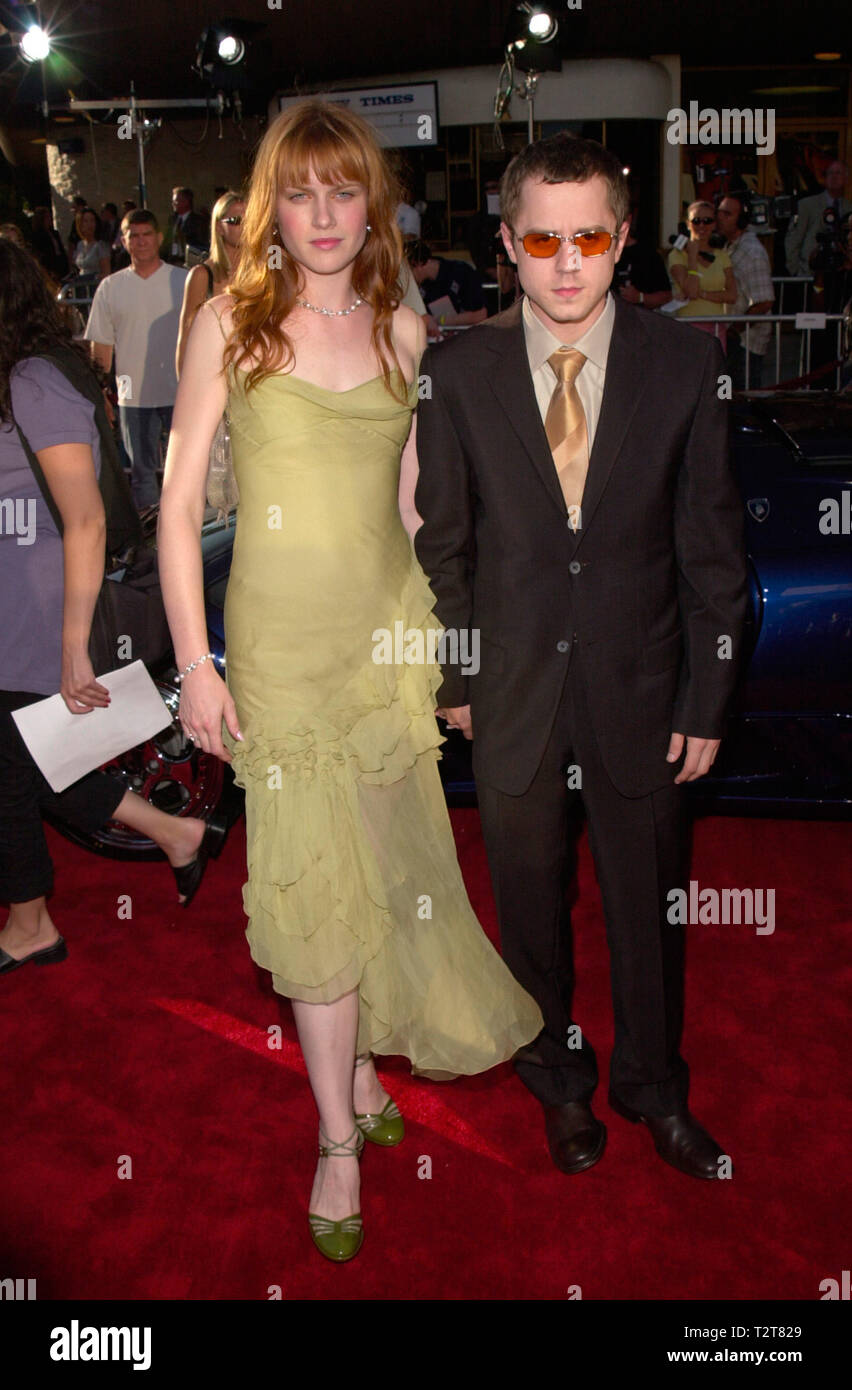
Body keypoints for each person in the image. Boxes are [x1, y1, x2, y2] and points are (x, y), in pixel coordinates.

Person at [157, 98, 543, 1264]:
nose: (325, 215)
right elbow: (175, 509)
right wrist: (192, 665)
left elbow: (416, 506)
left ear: (374, 202)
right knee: (313, 887)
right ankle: (335, 1134)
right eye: (303, 191)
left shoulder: (403, 331)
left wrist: (469, 630)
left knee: (384, 865)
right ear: (275, 206)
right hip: (278, 655)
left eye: (346, 190)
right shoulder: (231, 321)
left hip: (387, 645)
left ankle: (361, 1065)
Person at [414, 133, 748, 1183]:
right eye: (544, 239)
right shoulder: (456, 371)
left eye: (590, 236)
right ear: (509, 244)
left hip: (644, 686)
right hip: (510, 690)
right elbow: (445, 545)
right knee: (530, 906)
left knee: (650, 906)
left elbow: (712, 546)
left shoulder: (688, 361)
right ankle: (559, 1080)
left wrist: (707, 694)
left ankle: (654, 1087)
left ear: (622, 239)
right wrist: (459, 679)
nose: (568, 262)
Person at [0, 240, 225, 980]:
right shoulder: (18, 377)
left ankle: (32, 921)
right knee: (30, 756)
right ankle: (171, 837)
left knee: (20, 759)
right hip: (18, 603)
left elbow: (87, 518)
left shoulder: (33, 379)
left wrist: (71, 648)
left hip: (39, 608)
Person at [84, 210, 188, 509]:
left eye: (146, 234)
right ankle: (148, 544)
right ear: (123, 240)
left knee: (184, 472)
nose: (141, 242)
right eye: (134, 235)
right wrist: (102, 390)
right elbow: (101, 346)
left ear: (158, 238)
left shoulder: (183, 281)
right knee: (142, 474)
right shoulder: (110, 288)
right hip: (132, 396)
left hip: (180, 391)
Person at [176, 190, 246, 378]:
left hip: (257, 384)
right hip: (214, 380)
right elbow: (186, 341)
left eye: (252, 220)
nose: (247, 226)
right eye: (236, 221)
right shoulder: (201, 276)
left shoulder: (266, 272)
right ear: (219, 227)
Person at [716, 193, 774, 390]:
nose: (720, 218)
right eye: (719, 213)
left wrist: (734, 330)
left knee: (744, 400)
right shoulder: (729, 246)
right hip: (734, 341)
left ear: (741, 220)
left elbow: (764, 302)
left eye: (727, 214)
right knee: (727, 398)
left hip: (746, 343)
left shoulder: (753, 252)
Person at [668, 200, 736, 350]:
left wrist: (703, 294)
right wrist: (692, 257)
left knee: (715, 372)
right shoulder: (677, 255)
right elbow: (691, 291)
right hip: (688, 328)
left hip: (716, 328)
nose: (702, 226)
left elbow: (732, 295)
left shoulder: (722, 256)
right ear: (687, 223)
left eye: (708, 221)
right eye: (696, 221)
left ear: (714, 224)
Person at [784, 160, 852, 279]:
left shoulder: (849, 207)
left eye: (838, 173)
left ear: (846, 179)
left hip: (842, 276)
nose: (834, 177)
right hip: (810, 274)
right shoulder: (806, 205)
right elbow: (793, 240)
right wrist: (796, 271)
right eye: (830, 173)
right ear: (825, 178)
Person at [406, 240, 488, 326]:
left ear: (418, 264)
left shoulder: (461, 272)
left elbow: (481, 314)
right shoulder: (418, 287)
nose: (407, 277)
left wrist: (441, 321)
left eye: (409, 271)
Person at [613, 205, 672, 309]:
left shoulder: (648, 255)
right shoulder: (599, 254)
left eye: (620, 218)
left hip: (640, 320)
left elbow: (666, 296)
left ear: (629, 219)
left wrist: (640, 297)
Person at [164, 187, 208, 267]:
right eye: (173, 201)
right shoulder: (173, 220)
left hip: (189, 262)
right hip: (172, 261)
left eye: (176, 201)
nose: (173, 204)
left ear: (186, 202)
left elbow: (201, 243)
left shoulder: (198, 221)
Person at [72, 208, 111, 282]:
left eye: (92, 221)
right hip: (81, 286)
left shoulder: (100, 245)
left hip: (95, 285)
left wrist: (93, 278)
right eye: (86, 221)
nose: (90, 224)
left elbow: (106, 273)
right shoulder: (80, 245)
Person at [29, 208, 69, 280]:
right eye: (47, 217)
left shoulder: (54, 233)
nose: (50, 219)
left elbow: (60, 249)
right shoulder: (37, 235)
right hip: (49, 266)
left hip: (60, 263)